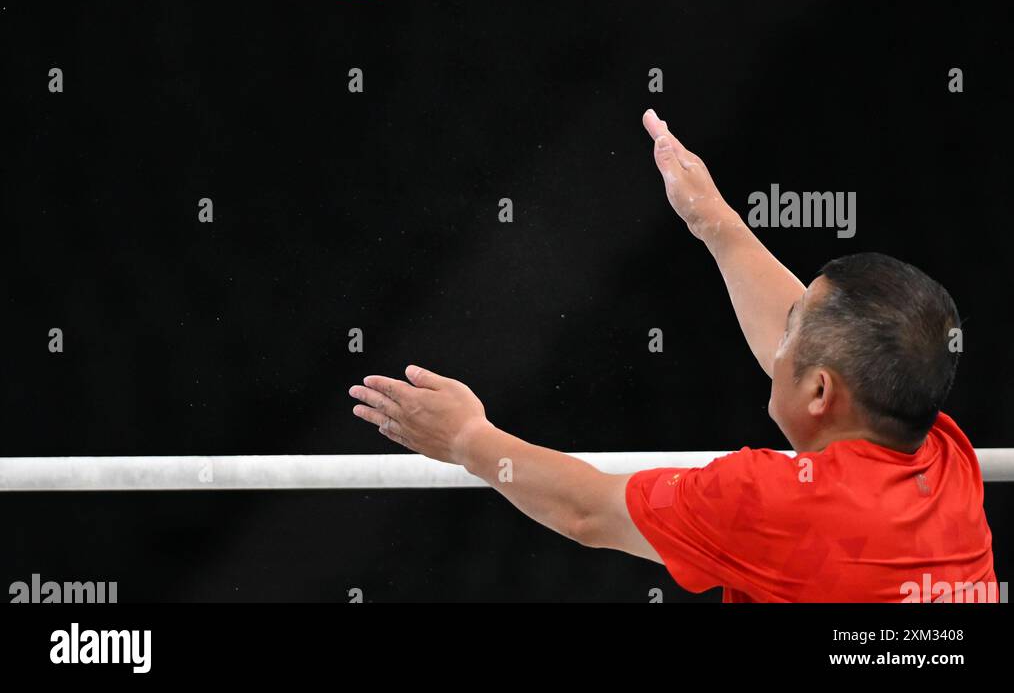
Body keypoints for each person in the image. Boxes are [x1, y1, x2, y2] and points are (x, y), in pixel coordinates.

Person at [350, 110, 998, 603]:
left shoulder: (767, 501)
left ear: (823, 393)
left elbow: (588, 512)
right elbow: (840, 350)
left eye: (794, 323)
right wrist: (714, 222)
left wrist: (468, 439)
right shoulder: (945, 456)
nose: (782, 332)